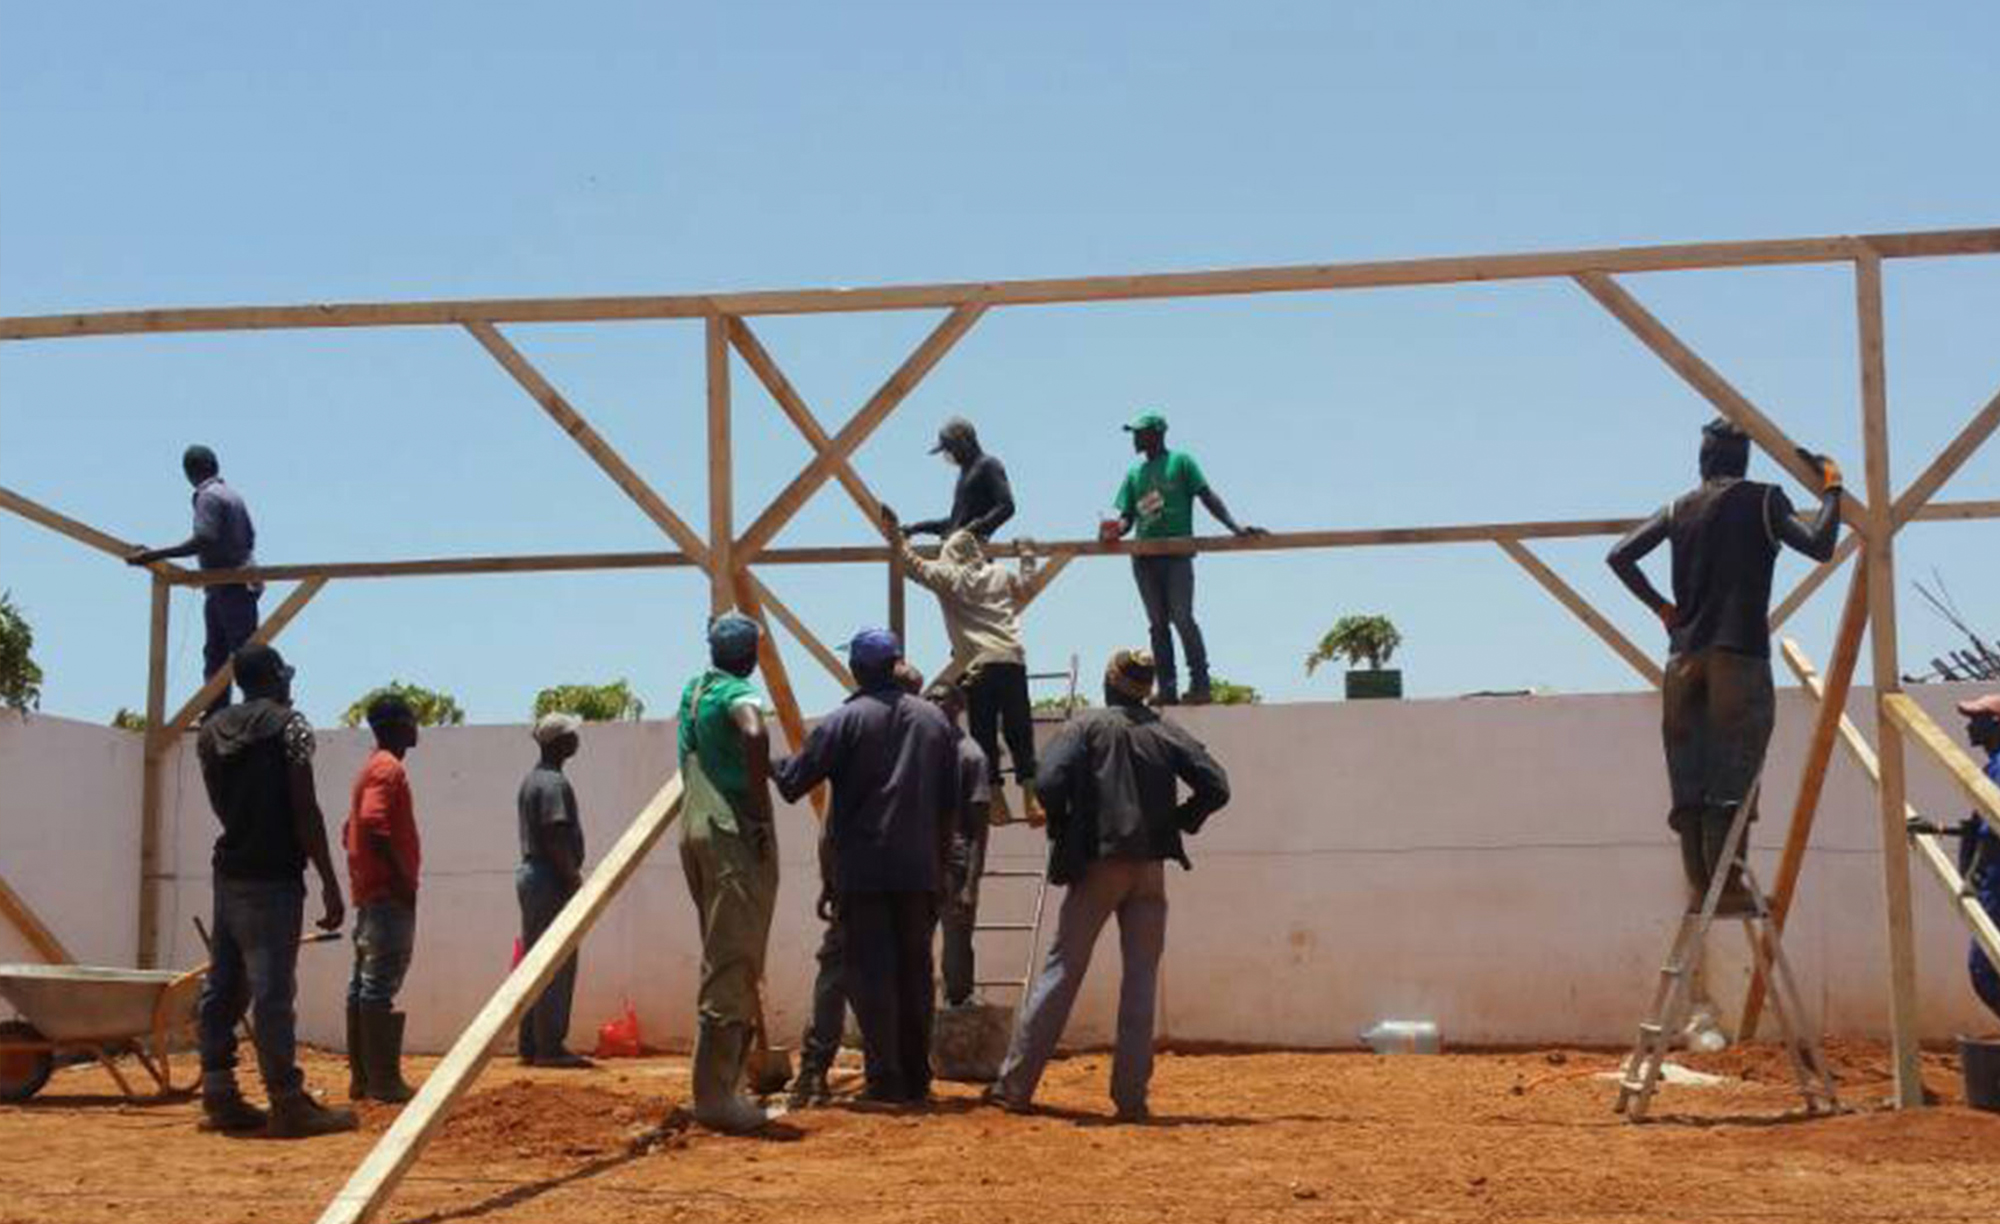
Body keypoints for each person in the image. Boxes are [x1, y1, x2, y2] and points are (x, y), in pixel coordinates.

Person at [1607, 417, 1841, 913]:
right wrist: (1833, 489)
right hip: (1739, 655)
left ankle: (1700, 888)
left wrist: (1663, 609)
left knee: (1689, 780)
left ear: (1703, 460)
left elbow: (1620, 555)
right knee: (1734, 775)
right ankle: (1728, 891)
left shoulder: (1678, 508)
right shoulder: (1764, 499)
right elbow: (1821, 546)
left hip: (1684, 660)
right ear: (1744, 460)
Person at [989, 649, 1230, 1121]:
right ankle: (1131, 1099)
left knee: (1062, 972)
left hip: (1101, 865)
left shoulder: (1087, 726)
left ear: (1110, 683)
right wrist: (1174, 823)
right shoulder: (1163, 730)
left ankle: (1014, 1088)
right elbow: (1216, 785)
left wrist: (1062, 817)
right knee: (1141, 980)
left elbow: (1050, 784)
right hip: (1151, 870)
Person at [773, 630, 960, 1105]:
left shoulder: (845, 721)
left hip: (864, 871)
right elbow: (949, 807)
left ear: (857, 670)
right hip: (919, 872)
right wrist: (939, 871)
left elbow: (794, 782)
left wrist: (761, 758)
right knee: (916, 974)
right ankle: (918, 1077)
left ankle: (885, 1079)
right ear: (896, 663)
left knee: (871, 975)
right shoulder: (935, 722)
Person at [193, 643, 357, 1138]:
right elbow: (304, 810)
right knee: (272, 994)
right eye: (285, 676)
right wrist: (329, 879)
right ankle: (287, 1102)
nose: (290, 684)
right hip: (275, 876)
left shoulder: (210, 732)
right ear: (276, 678)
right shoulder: (291, 725)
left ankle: (219, 1095)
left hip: (231, 869)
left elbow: (222, 803)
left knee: (224, 986)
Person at [676, 612, 783, 1132]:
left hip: (695, 828)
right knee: (733, 961)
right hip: (729, 829)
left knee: (721, 953)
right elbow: (755, 731)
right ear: (752, 656)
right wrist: (761, 811)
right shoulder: (737, 693)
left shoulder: (695, 691)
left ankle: (723, 1087)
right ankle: (717, 1099)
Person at [882, 503, 1041, 824]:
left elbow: (912, 566)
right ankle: (1031, 796)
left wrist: (896, 536)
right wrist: (1026, 554)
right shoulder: (998, 574)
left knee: (983, 732)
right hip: (1010, 658)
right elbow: (1026, 587)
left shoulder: (948, 577)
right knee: (1019, 729)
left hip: (977, 665)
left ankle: (996, 801)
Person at [1103, 412, 1264, 706]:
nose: (1135, 439)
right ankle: (1167, 689)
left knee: (1182, 617)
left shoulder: (1182, 462)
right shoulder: (1134, 474)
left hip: (1176, 555)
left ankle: (1200, 684)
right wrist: (1115, 531)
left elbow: (1206, 496)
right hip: (1144, 558)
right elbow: (1128, 518)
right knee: (1157, 624)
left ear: (1157, 433)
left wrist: (1234, 526)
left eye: (1140, 433)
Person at [127, 445, 261, 715]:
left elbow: (205, 538)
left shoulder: (207, 496)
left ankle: (240, 711)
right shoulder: (233, 496)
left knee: (233, 655)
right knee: (229, 653)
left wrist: (154, 555)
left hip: (227, 585)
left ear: (190, 472)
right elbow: (249, 538)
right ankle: (230, 710)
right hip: (238, 582)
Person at [343, 693, 422, 1104]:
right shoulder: (388, 770)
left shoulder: (370, 769)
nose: (416, 725)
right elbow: (373, 825)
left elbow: (349, 829)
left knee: (363, 985)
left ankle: (364, 1079)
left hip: (370, 896)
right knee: (378, 986)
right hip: (387, 897)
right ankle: (383, 1082)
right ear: (394, 724)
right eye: (411, 718)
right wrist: (400, 882)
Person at [517, 712, 592, 1068]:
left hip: (535, 876)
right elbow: (555, 833)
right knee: (556, 962)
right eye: (571, 735)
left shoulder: (534, 780)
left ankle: (531, 1043)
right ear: (558, 742)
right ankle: (550, 1047)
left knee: (536, 960)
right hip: (550, 877)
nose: (576, 739)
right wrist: (573, 877)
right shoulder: (552, 785)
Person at [929, 680, 993, 1009]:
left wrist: (971, 883)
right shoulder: (918, 750)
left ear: (959, 706)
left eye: (943, 699)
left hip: (955, 862)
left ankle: (959, 1012)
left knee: (956, 946)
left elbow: (980, 829)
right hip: (919, 860)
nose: (935, 704)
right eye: (930, 699)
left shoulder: (971, 756)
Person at [1953, 694, 2000, 1022]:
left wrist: (1969, 878)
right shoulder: (1992, 766)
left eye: (1977, 718)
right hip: (1992, 880)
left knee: (1985, 968)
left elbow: (1991, 833)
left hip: (1996, 882)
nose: (1970, 725)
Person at [898, 416, 1015, 542]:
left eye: (949, 448)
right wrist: (916, 528)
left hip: (972, 553)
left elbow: (1006, 507)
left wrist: (976, 529)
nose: (948, 454)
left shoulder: (989, 465)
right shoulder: (966, 472)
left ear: (963, 442)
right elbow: (956, 523)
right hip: (956, 551)